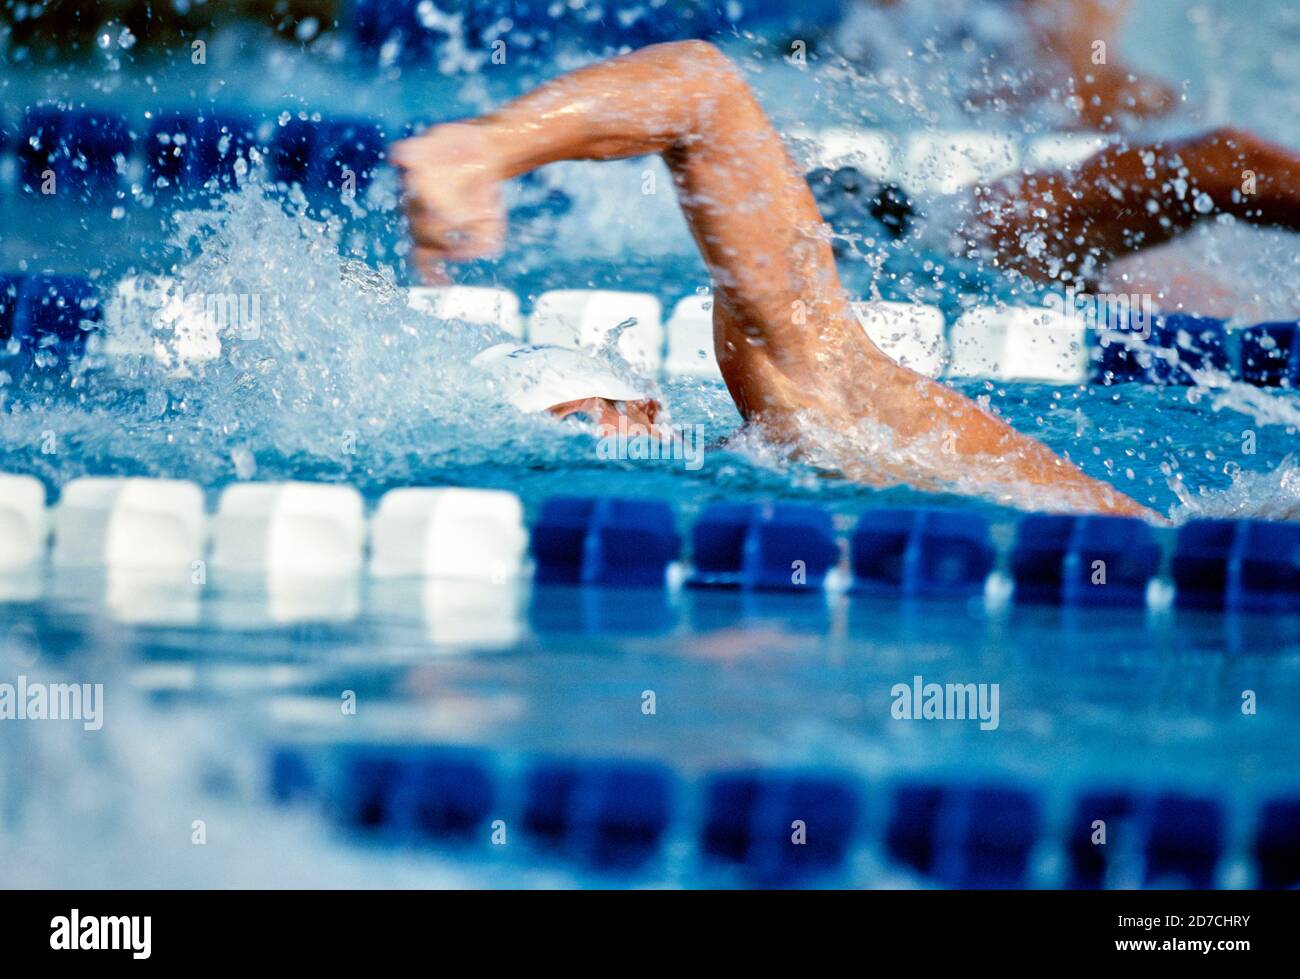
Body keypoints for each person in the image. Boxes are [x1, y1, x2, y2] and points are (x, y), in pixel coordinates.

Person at [390, 41, 1300, 518]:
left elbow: (703, 93)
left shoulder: (812, 406)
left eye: (579, 419)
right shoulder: (796, 448)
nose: (588, 441)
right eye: (566, 435)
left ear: (648, 412)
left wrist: (489, 146)